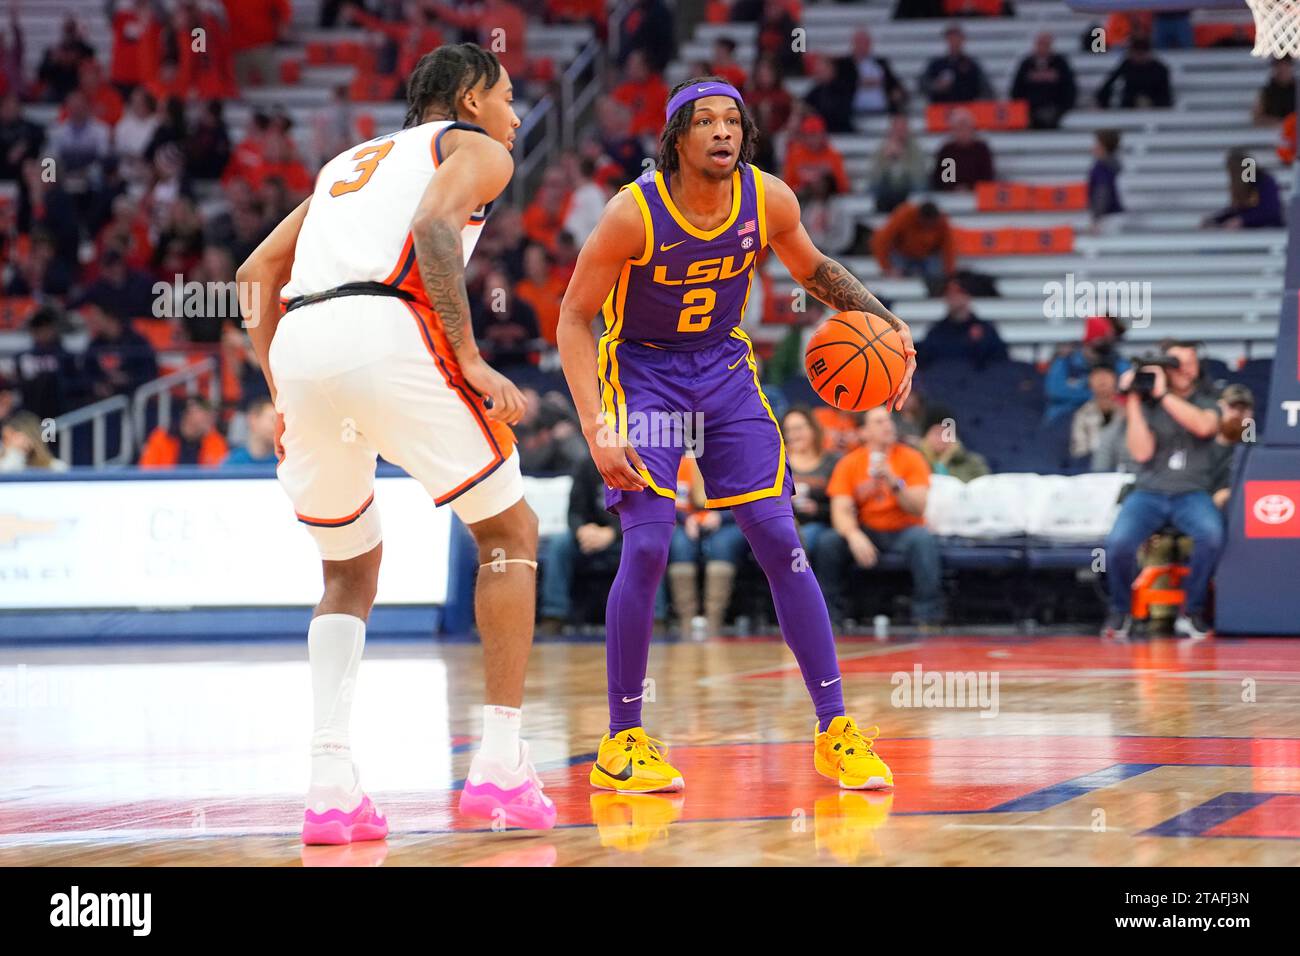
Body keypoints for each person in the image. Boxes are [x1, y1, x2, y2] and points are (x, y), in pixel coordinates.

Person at [557, 77, 918, 794]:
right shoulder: (633, 214)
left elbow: (814, 270)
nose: (723, 131)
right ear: (677, 138)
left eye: (733, 120)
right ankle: (622, 740)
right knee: (652, 542)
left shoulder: (769, 198)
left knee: (782, 543)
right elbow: (574, 315)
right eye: (706, 121)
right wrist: (598, 424)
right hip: (644, 374)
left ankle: (835, 729)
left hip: (724, 368)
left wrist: (886, 321)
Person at [235, 43, 556, 837]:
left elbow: (252, 274)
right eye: (509, 96)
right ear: (471, 98)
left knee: (347, 570)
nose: (517, 116)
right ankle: (501, 769)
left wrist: (282, 386)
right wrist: (472, 359)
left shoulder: (348, 163)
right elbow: (435, 230)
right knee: (509, 531)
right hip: (388, 324)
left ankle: (330, 788)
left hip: (303, 340)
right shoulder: (473, 148)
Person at [1101, 343, 1223, 641]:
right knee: (1117, 544)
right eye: (1177, 363)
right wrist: (1132, 398)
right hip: (1149, 492)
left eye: (1190, 363)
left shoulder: (1209, 399)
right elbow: (1141, 453)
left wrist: (1163, 394)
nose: (1185, 369)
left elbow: (1204, 427)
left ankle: (1191, 611)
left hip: (1191, 492)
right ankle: (1122, 611)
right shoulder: (1147, 405)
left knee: (1212, 536)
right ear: (1166, 369)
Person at [819, 407, 942, 625]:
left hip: (903, 529)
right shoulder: (850, 462)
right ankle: (829, 616)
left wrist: (895, 483)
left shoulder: (911, 457)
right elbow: (841, 509)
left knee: (924, 540)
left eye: (888, 420)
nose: (888, 425)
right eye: (878, 422)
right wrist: (854, 534)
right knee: (829, 542)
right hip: (867, 528)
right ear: (863, 432)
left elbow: (918, 507)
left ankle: (927, 615)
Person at [1045, 314, 1129, 421]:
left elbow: (1126, 382)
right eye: (1102, 339)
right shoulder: (1066, 362)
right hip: (1066, 419)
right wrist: (1096, 395)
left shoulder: (1115, 362)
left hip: (1101, 420)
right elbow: (1055, 391)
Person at [782, 406, 841, 556]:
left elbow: (841, 503)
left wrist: (817, 510)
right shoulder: (779, 462)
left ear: (813, 429)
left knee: (805, 536)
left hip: (820, 523)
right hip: (785, 521)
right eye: (788, 430)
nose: (794, 435)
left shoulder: (832, 461)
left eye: (798, 428)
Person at [918, 279, 1007, 368]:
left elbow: (1000, 362)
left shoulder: (986, 331)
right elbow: (924, 362)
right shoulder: (936, 331)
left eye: (958, 292)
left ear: (968, 295)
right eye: (949, 293)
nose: (953, 297)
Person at [873, 199, 955, 285]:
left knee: (937, 274)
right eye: (925, 224)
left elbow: (949, 248)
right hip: (902, 254)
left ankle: (935, 293)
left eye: (931, 225)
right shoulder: (904, 215)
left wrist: (949, 274)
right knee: (895, 275)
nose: (927, 227)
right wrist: (887, 267)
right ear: (919, 217)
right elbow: (881, 240)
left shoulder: (942, 222)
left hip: (927, 256)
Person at [1203, 148, 1284, 230]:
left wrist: (1243, 220)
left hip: (1268, 230)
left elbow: (1269, 211)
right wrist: (1216, 220)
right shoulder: (1246, 185)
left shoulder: (1263, 182)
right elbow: (1238, 211)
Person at [138, 395, 229, 467]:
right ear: (188, 412)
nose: (210, 416)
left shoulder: (216, 440)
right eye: (204, 411)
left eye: (212, 413)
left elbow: (219, 475)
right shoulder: (162, 438)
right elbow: (147, 471)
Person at [1011, 33, 1077, 130]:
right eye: (1040, 44)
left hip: (1054, 108)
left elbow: (1069, 88)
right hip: (1030, 109)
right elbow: (1016, 89)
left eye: (1045, 44)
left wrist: (1063, 107)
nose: (1042, 47)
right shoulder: (1026, 63)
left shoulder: (1060, 63)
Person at [869, 114, 927, 213]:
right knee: (875, 188)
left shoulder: (916, 150)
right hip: (887, 192)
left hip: (908, 189)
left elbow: (919, 177)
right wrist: (888, 161)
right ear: (891, 131)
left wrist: (901, 159)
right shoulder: (881, 150)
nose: (900, 133)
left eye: (903, 129)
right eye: (897, 129)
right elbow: (874, 177)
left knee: (920, 188)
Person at [922, 24, 992, 104]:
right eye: (951, 38)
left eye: (957, 38)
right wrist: (936, 86)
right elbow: (922, 85)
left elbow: (986, 89)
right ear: (946, 40)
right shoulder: (936, 64)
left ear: (963, 40)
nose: (954, 41)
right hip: (941, 109)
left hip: (967, 109)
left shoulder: (972, 64)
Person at [1210, 384, 1255, 510]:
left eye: (1243, 409)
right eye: (1232, 407)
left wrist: (1231, 492)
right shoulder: (1200, 445)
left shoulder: (1255, 449)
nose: (1237, 414)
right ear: (1219, 407)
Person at [1096, 36, 1172, 109]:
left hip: (1156, 110)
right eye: (1136, 52)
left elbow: (1166, 96)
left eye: (1142, 53)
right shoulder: (1127, 65)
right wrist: (1102, 103)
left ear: (1149, 53)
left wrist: (1151, 102)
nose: (1139, 57)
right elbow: (1108, 85)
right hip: (1128, 108)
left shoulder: (1160, 69)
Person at [917, 403, 988, 481]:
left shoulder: (973, 463)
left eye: (947, 434)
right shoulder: (913, 462)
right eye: (937, 434)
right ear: (925, 436)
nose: (942, 439)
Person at [930, 107, 995, 191]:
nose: (963, 131)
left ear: (972, 129)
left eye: (966, 127)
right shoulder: (947, 151)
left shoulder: (981, 150)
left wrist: (970, 188)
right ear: (953, 130)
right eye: (959, 128)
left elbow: (986, 177)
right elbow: (943, 179)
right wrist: (955, 188)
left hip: (977, 195)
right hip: (951, 196)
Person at [1070, 363, 1122, 462]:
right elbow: (1079, 449)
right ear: (1089, 382)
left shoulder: (1127, 411)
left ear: (1115, 379)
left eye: (1106, 374)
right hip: (1092, 467)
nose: (1102, 379)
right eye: (1097, 375)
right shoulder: (1083, 413)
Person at [0, 410, 69, 472]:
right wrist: (15, 453)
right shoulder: (4, 462)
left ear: (31, 437)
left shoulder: (55, 467)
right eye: (4, 438)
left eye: (9, 437)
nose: (5, 442)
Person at [223, 395, 279, 465]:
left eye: (280, 422)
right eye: (273, 419)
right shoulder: (234, 462)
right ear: (253, 420)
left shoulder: (285, 461)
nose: (278, 426)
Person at [1088, 128, 1124, 224]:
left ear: (1103, 147)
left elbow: (1102, 192)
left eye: (1097, 144)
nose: (1093, 147)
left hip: (1107, 218)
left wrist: (1096, 218)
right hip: (1113, 214)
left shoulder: (1103, 167)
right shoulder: (1111, 164)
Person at [1253, 56, 1294, 126]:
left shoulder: (1297, 90)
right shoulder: (1267, 91)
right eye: (1280, 66)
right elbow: (1257, 118)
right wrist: (1281, 123)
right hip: (1272, 132)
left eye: (1286, 66)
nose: (1283, 70)